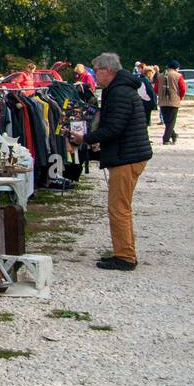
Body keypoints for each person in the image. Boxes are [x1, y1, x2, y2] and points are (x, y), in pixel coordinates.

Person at [69, 53, 152, 270]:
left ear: (109, 70)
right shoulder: (119, 89)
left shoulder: (119, 92)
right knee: (121, 207)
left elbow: (114, 128)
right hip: (128, 154)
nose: (94, 75)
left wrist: (85, 138)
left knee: (118, 208)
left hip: (127, 156)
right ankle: (124, 251)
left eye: (97, 70)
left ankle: (125, 257)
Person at [154, 61, 186, 145]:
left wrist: (160, 94)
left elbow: (155, 88)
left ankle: (174, 135)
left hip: (162, 100)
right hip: (174, 100)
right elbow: (183, 88)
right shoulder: (178, 76)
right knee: (171, 121)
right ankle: (166, 139)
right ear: (176, 68)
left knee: (167, 120)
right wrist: (181, 97)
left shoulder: (160, 75)